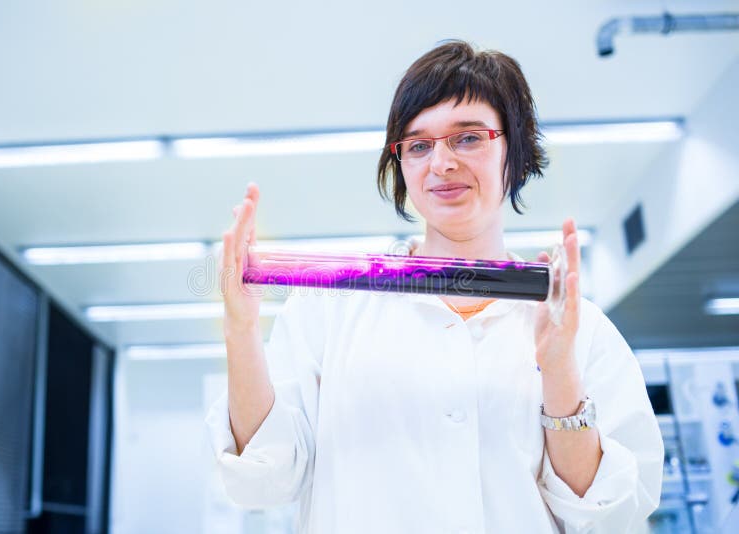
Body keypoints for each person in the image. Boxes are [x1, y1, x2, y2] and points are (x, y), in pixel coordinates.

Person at [206, 40, 664, 533]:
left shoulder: (582, 330)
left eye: (468, 138)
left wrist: (558, 373)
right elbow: (263, 481)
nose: (441, 163)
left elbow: (607, 516)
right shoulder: (330, 306)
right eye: (419, 145)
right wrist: (241, 329)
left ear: (515, 149)